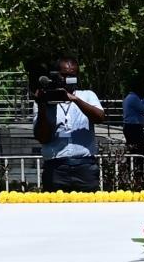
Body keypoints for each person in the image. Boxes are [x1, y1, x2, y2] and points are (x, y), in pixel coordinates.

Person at [33, 56, 106, 191]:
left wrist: (75, 100)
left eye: (72, 76)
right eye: (64, 75)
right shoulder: (46, 99)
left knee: (90, 208)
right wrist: (43, 105)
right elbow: (42, 137)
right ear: (55, 75)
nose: (67, 80)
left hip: (85, 166)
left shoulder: (88, 95)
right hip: (56, 167)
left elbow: (100, 118)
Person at [122, 81, 144, 155]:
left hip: (128, 126)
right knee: (140, 148)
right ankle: (139, 165)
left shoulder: (127, 97)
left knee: (132, 148)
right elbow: (143, 109)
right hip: (134, 127)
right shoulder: (134, 98)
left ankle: (131, 165)